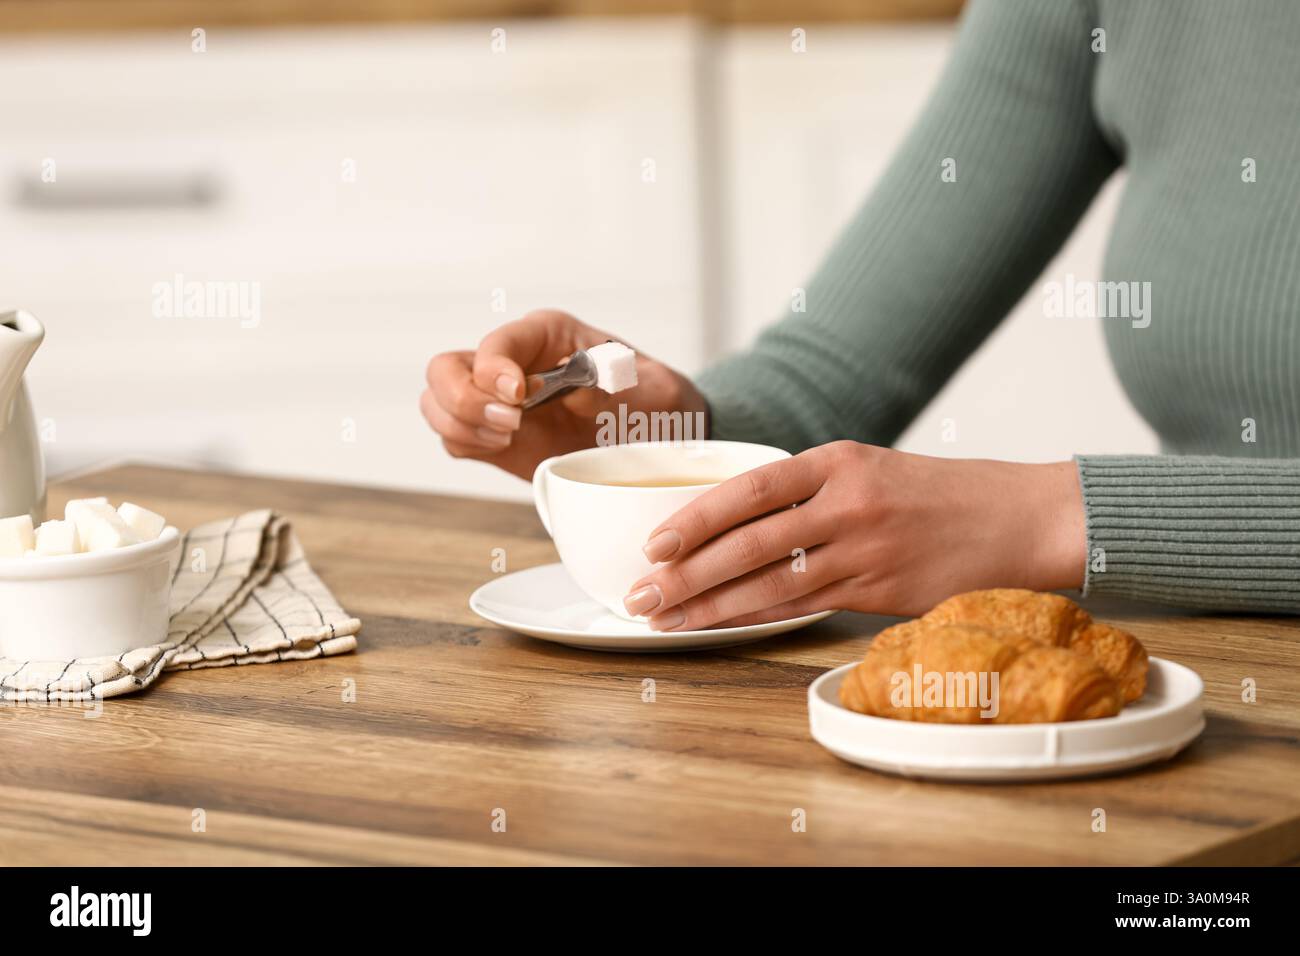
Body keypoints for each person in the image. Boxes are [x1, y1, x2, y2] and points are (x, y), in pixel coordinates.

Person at [421, 0, 1300, 630]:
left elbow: (1043, 520)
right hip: (1209, 685)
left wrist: (1050, 519)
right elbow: (834, 375)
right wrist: (676, 429)